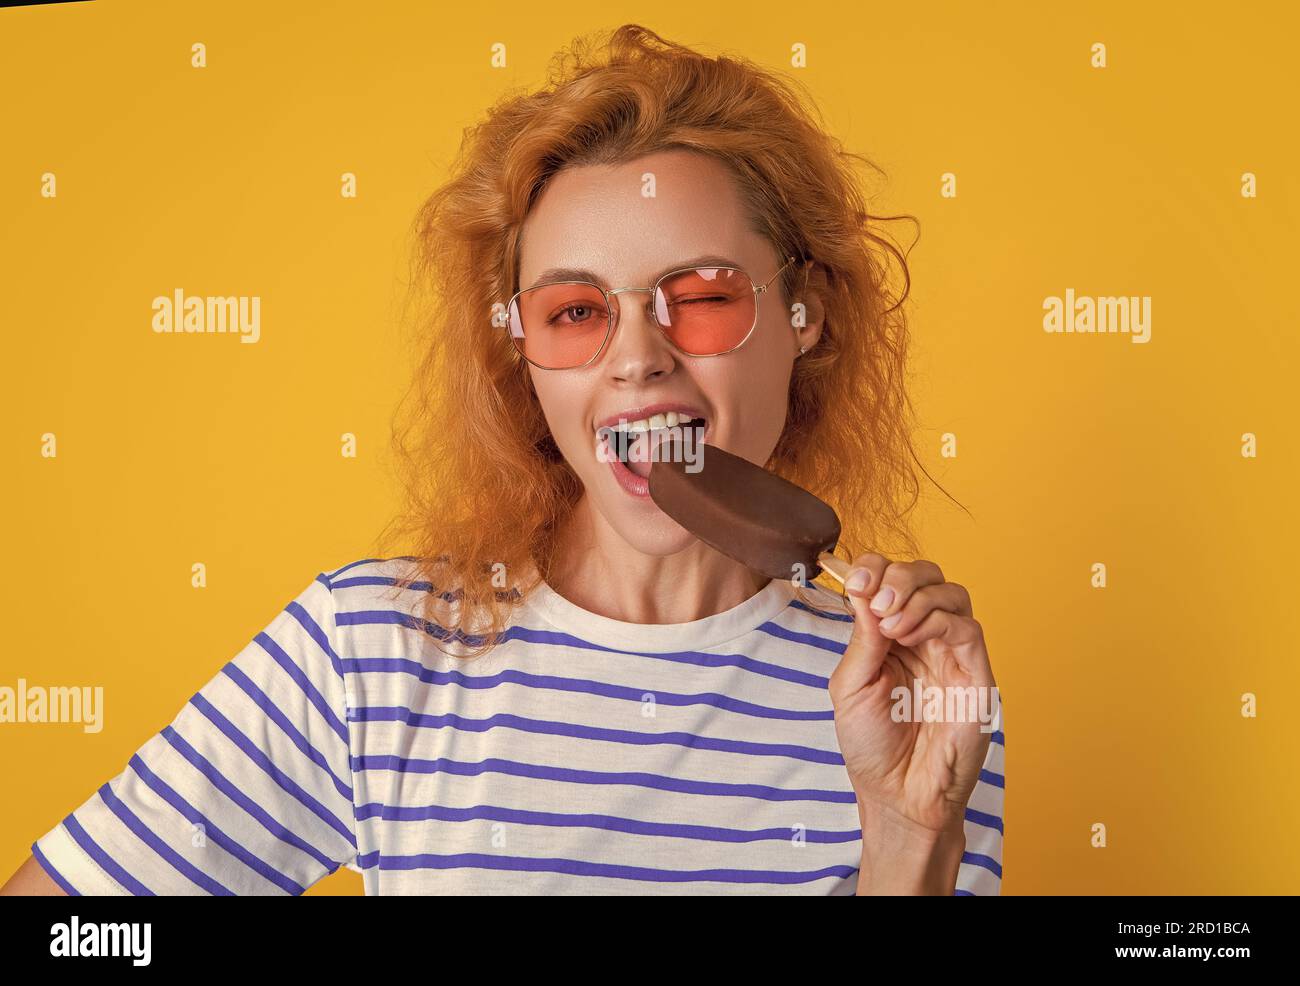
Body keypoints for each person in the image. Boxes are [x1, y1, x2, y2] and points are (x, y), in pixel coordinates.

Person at [2, 23, 1003, 896]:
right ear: (520, 357)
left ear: (803, 314)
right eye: (572, 312)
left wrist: (910, 833)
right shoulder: (369, 656)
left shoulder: (907, 693)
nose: (635, 356)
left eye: (699, 295)